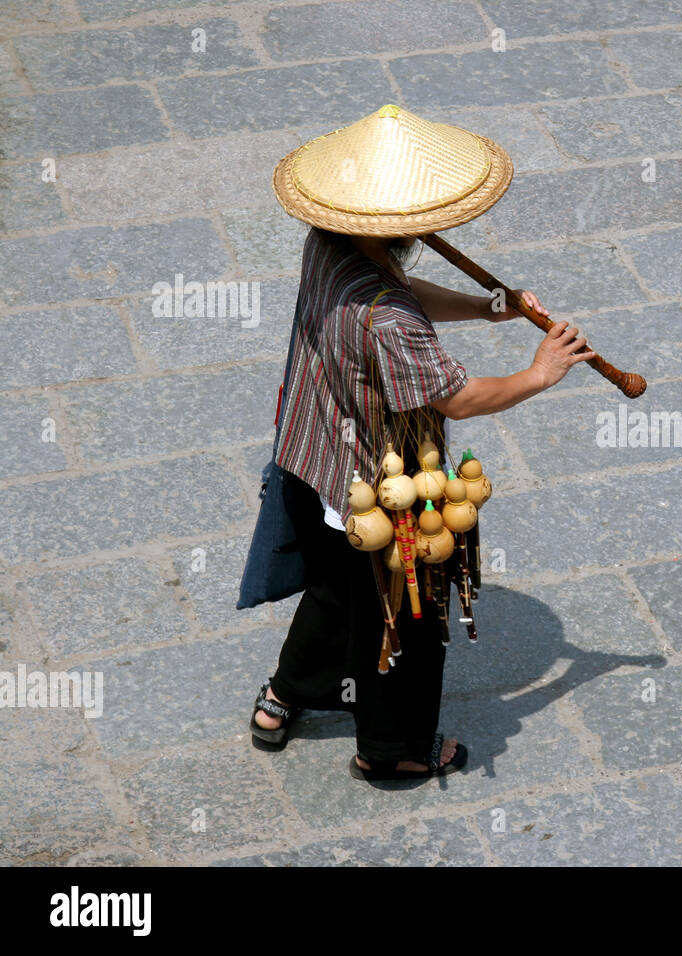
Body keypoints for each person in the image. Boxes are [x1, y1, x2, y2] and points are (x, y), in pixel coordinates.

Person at [245, 106, 595, 781]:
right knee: (402, 623)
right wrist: (539, 373)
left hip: (317, 457)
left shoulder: (328, 246)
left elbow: (397, 287)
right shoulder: (393, 323)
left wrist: (485, 306)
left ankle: (281, 698)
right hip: (379, 485)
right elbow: (457, 396)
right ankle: (392, 749)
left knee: (338, 593)